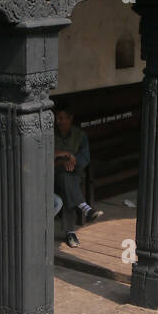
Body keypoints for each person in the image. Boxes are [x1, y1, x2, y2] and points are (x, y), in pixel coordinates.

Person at [54, 105, 103, 249]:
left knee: (67, 182)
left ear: (70, 119)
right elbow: (48, 155)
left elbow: (84, 158)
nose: (59, 121)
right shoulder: (51, 133)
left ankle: (80, 216)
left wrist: (71, 163)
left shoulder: (79, 135)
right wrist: (63, 159)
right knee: (66, 181)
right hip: (53, 174)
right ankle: (74, 227)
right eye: (57, 118)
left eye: (62, 118)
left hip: (73, 174)